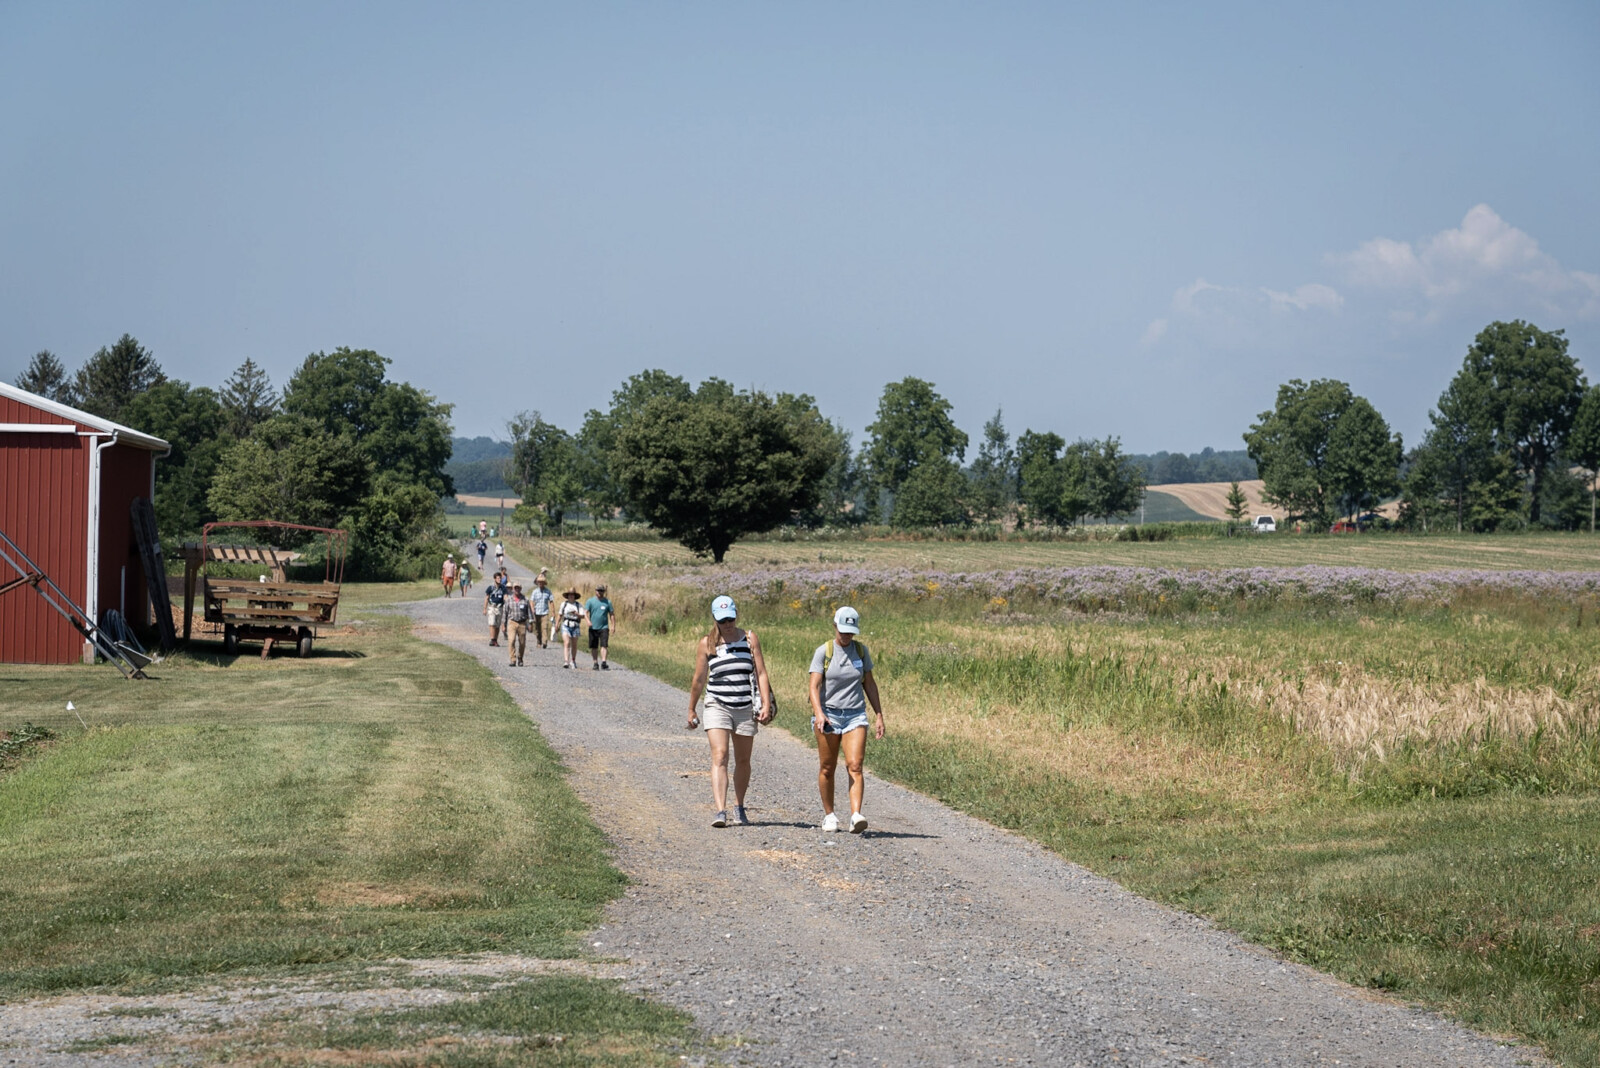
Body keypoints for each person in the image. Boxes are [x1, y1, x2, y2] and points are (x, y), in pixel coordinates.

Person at [686, 595, 773, 828]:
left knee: (743, 760)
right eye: (723, 619)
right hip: (717, 705)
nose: (728, 623)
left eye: (731, 618)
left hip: (744, 706)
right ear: (715, 619)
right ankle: (720, 811)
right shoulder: (707, 643)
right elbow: (699, 679)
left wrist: (765, 704)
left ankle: (739, 806)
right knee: (721, 755)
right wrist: (692, 708)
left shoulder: (749, 638)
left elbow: (761, 673)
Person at [808, 605, 885, 834]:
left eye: (850, 632)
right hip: (829, 715)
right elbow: (814, 686)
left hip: (855, 715)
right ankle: (829, 815)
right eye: (843, 631)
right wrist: (819, 713)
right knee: (827, 767)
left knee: (855, 765)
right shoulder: (824, 651)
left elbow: (869, 684)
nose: (846, 636)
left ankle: (855, 815)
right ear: (834, 627)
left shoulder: (861, 651)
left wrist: (879, 714)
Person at [584, 584, 615, 670]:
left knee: (604, 644)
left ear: (604, 592)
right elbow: (585, 612)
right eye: (598, 590)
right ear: (595, 591)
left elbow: (611, 614)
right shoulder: (590, 601)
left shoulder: (607, 602)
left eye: (601, 591)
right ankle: (595, 662)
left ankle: (604, 662)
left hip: (604, 627)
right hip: (593, 627)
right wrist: (587, 621)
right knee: (594, 646)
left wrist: (613, 625)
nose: (600, 592)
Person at [504, 582, 531, 666]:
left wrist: (530, 623)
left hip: (522, 623)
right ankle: (513, 659)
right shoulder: (509, 599)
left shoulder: (525, 600)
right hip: (512, 622)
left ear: (521, 589)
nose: (517, 589)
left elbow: (529, 613)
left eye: (518, 588)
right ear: (513, 589)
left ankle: (520, 658)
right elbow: (505, 612)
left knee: (522, 643)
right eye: (515, 588)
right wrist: (503, 624)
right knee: (511, 641)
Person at [557, 589, 584, 668]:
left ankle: (573, 660)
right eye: (570, 595)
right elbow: (560, 614)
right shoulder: (564, 604)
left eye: (572, 595)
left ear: (575, 596)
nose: (571, 596)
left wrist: (577, 614)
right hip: (566, 625)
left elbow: (583, 616)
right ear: (567, 596)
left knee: (574, 644)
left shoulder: (579, 605)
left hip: (575, 625)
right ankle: (566, 661)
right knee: (567, 642)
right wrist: (557, 624)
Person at [530, 573, 554, 649]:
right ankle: (539, 641)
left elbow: (551, 601)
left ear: (544, 583)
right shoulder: (534, 592)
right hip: (536, 612)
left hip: (545, 612)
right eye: (539, 582)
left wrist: (553, 611)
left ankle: (544, 642)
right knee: (537, 628)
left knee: (544, 627)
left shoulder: (548, 591)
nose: (540, 583)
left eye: (542, 582)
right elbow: (531, 601)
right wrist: (532, 608)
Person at [484, 570, 508, 646]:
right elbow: (487, 598)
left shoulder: (503, 588)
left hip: (500, 607)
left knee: (497, 625)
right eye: (498, 578)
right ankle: (492, 639)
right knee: (492, 623)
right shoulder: (490, 588)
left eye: (500, 578)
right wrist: (484, 608)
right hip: (492, 607)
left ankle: (495, 640)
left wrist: (506, 601)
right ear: (494, 579)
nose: (499, 579)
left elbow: (505, 596)